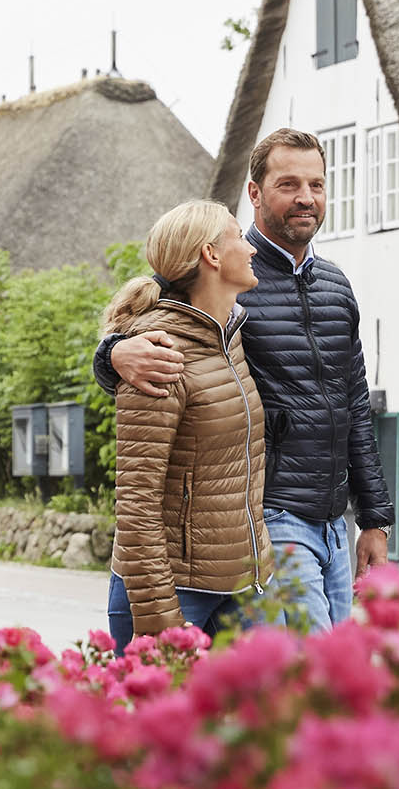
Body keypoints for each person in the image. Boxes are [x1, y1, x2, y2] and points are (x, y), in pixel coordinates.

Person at [95, 129, 392, 633]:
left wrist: (375, 518)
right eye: (289, 184)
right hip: (270, 516)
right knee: (310, 677)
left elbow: (355, 404)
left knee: (338, 674)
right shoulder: (229, 285)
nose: (306, 197)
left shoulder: (337, 287)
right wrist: (113, 353)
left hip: (332, 521)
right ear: (254, 193)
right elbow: (154, 316)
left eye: (317, 185)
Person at [104, 199, 276, 647]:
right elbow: (137, 504)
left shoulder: (228, 338)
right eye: (239, 236)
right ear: (211, 254)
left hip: (242, 583)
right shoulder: (157, 352)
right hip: (173, 594)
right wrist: (161, 623)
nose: (252, 247)